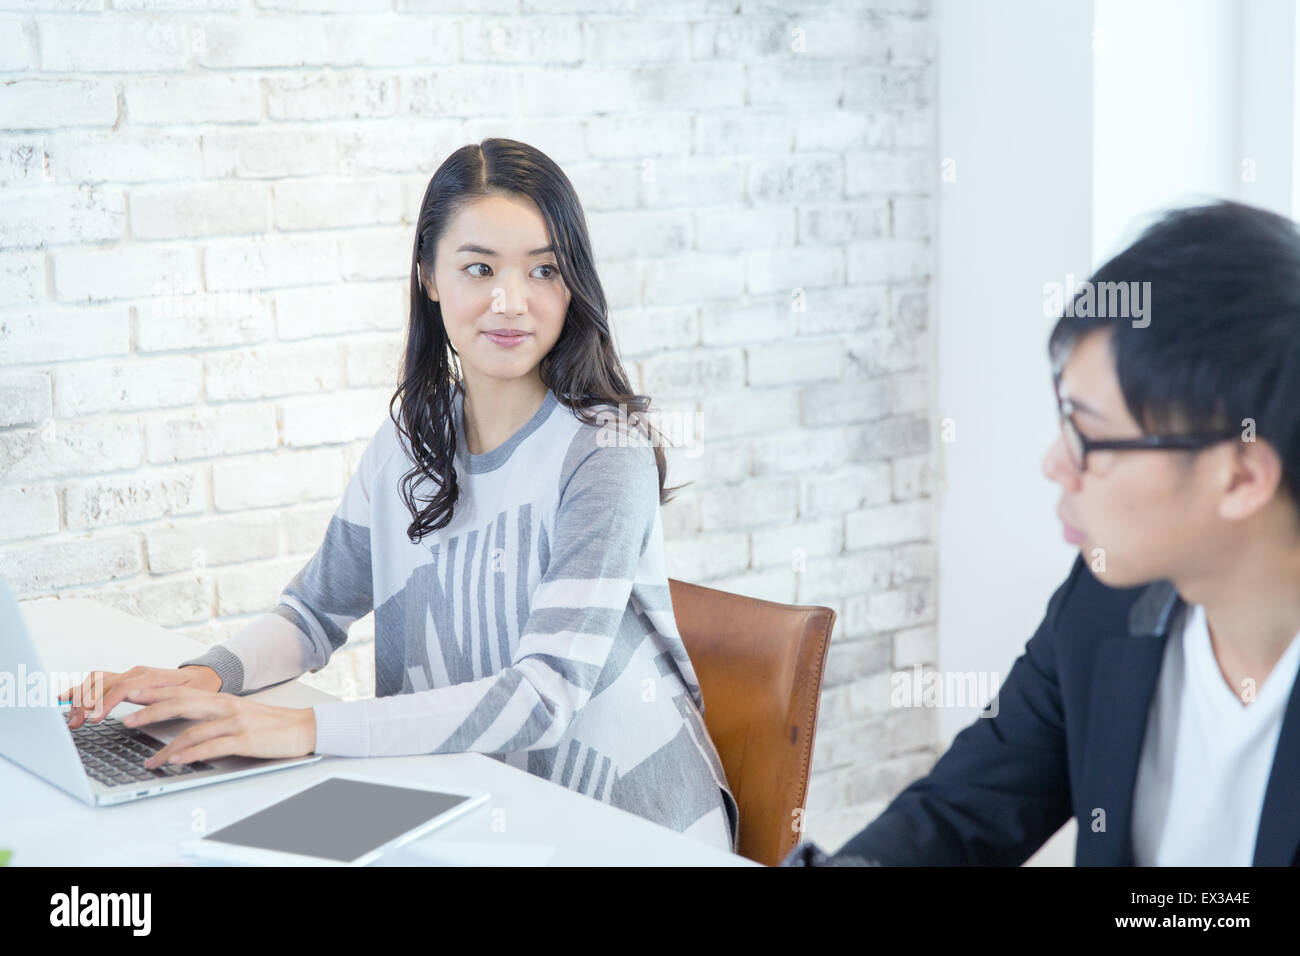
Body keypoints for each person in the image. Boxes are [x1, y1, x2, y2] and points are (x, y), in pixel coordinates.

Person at [61, 138, 739, 853]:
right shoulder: (410, 441)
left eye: (544, 269)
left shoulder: (606, 454)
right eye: (479, 268)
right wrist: (201, 677)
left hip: (629, 829)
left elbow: (545, 696)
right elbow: (315, 611)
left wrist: (304, 731)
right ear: (430, 276)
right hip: (472, 805)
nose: (512, 302)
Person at [784, 199, 1300, 866]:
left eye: (1089, 434)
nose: (1054, 462)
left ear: (1240, 477)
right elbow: (959, 813)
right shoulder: (1107, 603)